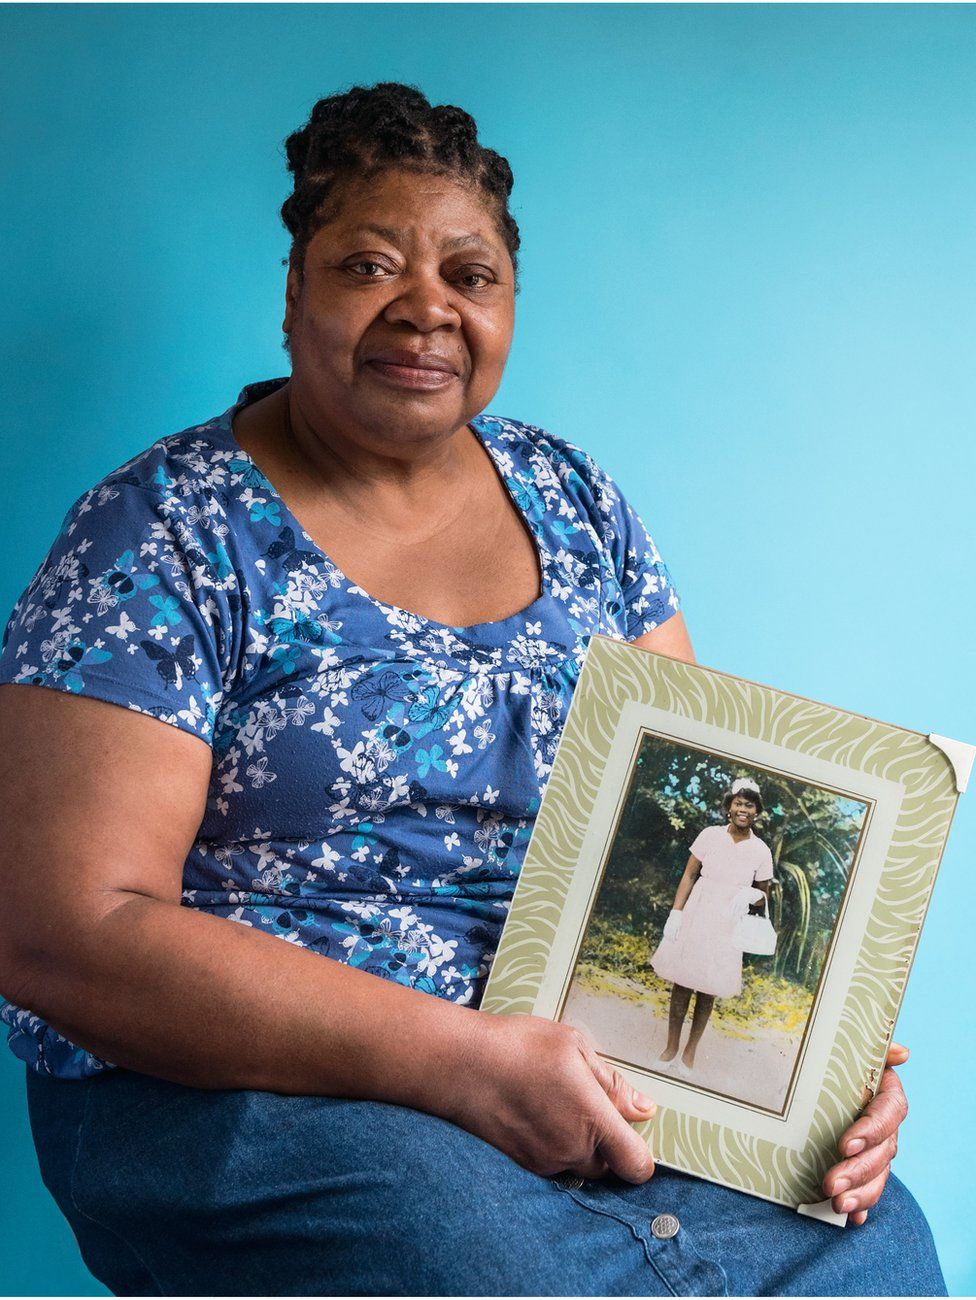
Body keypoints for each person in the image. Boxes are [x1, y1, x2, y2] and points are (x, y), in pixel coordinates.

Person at [0, 83, 943, 1297]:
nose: (425, 307)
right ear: (292, 295)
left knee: (876, 1244)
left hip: (582, 1068)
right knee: (487, 1265)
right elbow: (62, 931)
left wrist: (812, 1070)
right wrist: (460, 1060)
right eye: (368, 265)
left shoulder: (576, 499)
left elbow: (685, 819)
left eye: (470, 274)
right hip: (267, 1091)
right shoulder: (164, 532)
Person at [650, 778, 774, 1077]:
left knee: (709, 988)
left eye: (749, 805)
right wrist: (676, 913)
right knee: (683, 981)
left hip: (728, 923)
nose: (743, 810)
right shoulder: (710, 835)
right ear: (729, 806)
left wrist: (750, 894)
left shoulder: (761, 850)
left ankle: (690, 1053)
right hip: (698, 913)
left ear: (757, 811)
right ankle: (671, 1047)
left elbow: (763, 896)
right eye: (738, 803)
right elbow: (689, 875)